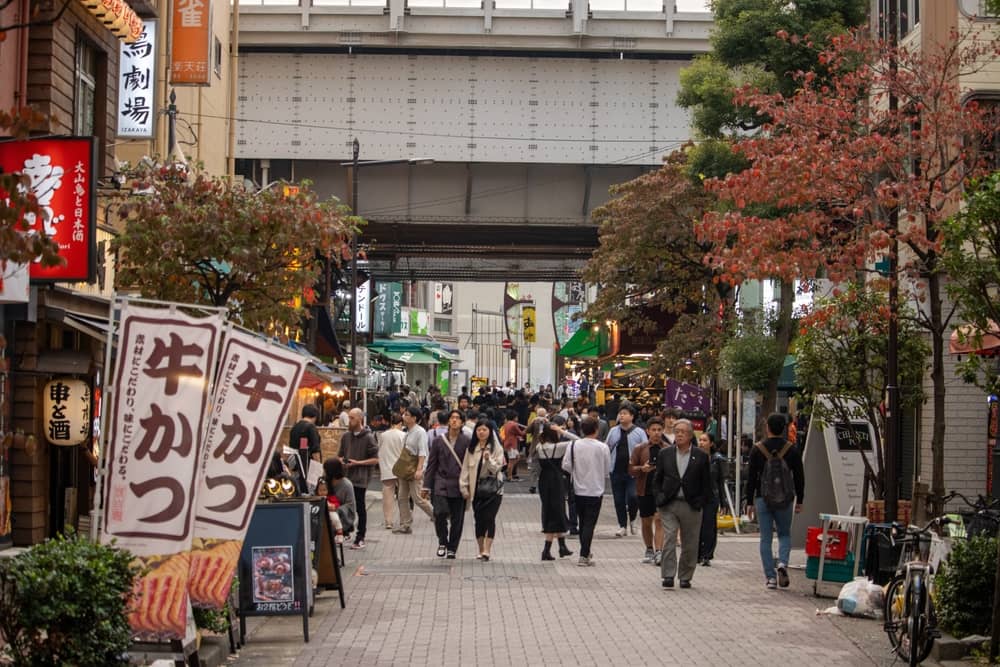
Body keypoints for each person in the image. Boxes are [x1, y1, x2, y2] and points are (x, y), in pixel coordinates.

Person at [745, 412, 805, 590]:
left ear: (767, 428)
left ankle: (770, 578)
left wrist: (749, 501)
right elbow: (799, 477)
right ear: (784, 428)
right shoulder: (792, 449)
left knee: (765, 538)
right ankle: (783, 563)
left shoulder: (758, 449)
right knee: (784, 534)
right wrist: (800, 499)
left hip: (763, 498)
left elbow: (752, 478)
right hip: (785, 498)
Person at [652, 418, 712, 589]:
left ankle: (685, 576)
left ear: (690, 434)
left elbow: (706, 483)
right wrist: (659, 498)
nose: (679, 434)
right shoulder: (665, 454)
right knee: (670, 537)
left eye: (683, 432)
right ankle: (668, 574)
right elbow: (657, 479)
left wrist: (702, 501)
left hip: (691, 503)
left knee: (690, 542)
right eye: (676, 431)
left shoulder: (700, 456)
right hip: (669, 503)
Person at [562, 417, 611, 567]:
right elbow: (607, 470)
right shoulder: (602, 447)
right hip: (595, 490)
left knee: (583, 521)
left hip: (577, 488)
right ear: (596, 429)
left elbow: (566, 466)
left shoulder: (573, 445)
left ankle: (585, 551)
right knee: (589, 523)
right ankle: (584, 554)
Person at [422, 410, 472, 559]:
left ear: (462, 422)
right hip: (441, 482)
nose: (455, 420)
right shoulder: (438, 441)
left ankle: (452, 547)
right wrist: (426, 486)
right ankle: (442, 541)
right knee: (439, 513)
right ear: (449, 421)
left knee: (458, 518)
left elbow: (470, 465)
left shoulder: (466, 441)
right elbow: (432, 465)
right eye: (452, 418)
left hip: (459, 484)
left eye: (458, 418)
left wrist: (470, 485)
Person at [460, 419, 506, 561]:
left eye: (484, 430)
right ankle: (480, 549)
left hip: (493, 490)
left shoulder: (496, 448)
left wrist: (489, 459)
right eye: (479, 429)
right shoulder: (471, 449)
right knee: (479, 519)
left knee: (489, 518)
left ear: (490, 432)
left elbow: (497, 468)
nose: (481, 432)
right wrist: (464, 487)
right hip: (476, 489)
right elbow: (465, 469)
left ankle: (487, 549)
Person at [534, 420, 575, 560]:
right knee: (557, 510)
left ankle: (562, 547)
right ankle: (547, 550)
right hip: (556, 480)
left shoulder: (540, 446)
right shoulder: (559, 447)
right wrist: (564, 431)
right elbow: (579, 441)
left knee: (550, 510)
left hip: (544, 480)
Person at [339, 408, 379, 550]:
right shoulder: (345, 436)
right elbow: (340, 454)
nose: (349, 421)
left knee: (360, 508)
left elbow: (375, 459)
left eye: (352, 418)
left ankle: (360, 537)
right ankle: (345, 531)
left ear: (360, 419)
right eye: (349, 418)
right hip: (345, 477)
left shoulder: (368, 437)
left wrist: (357, 463)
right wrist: (341, 462)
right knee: (343, 506)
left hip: (360, 479)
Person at [629, 417, 667, 566]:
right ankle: (649, 548)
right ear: (648, 431)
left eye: (659, 430)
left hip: (662, 491)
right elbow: (631, 469)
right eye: (653, 430)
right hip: (644, 489)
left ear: (662, 431)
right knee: (646, 522)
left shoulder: (668, 448)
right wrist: (642, 469)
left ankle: (659, 551)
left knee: (659, 520)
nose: (656, 433)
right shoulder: (640, 448)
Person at [605, 405, 647, 537]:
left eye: (624, 413)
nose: (621, 416)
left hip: (633, 471)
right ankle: (622, 525)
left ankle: (633, 519)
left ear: (632, 416)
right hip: (616, 470)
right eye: (620, 413)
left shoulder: (639, 432)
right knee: (618, 500)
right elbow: (607, 447)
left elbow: (645, 450)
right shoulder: (613, 431)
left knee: (633, 496)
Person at [396, 407, 434, 533]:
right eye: (405, 414)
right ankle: (405, 524)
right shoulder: (408, 431)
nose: (404, 416)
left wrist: (419, 470)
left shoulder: (420, 432)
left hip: (414, 468)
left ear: (414, 418)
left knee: (417, 498)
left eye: (407, 415)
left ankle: (437, 516)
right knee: (402, 496)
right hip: (404, 468)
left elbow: (423, 452)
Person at [697, 432, 727, 567]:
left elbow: (721, 482)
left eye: (704, 440)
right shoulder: (694, 457)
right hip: (697, 496)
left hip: (711, 497)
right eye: (700, 440)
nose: (701, 443)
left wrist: (723, 501)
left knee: (709, 526)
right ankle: (696, 553)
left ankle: (707, 554)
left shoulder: (717, 459)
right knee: (697, 526)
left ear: (711, 443)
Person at [377, 412, 406, 530]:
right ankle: (404, 520)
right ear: (400, 423)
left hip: (387, 468)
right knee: (402, 495)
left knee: (387, 496)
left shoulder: (383, 435)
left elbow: (380, 450)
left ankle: (388, 521)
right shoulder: (403, 435)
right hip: (400, 468)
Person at [322, 458, 357, 544]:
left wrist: (336, 508)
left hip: (339, 516)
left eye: (325, 470)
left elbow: (350, 505)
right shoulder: (324, 482)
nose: (323, 473)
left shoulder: (347, 485)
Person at [289, 405, 322, 491]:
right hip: (309, 467)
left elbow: (291, 448)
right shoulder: (311, 427)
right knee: (310, 492)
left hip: (296, 465)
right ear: (315, 416)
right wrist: (319, 471)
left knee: (299, 491)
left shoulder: (294, 427)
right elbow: (315, 450)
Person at [502, 410, 526, 482]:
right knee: (511, 461)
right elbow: (521, 433)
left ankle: (508, 471)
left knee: (517, 457)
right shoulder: (514, 425)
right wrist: (527, 429)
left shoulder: (506, 424)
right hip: (512, 444)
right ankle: (509, 476)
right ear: (514, 417)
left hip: (508, 443)